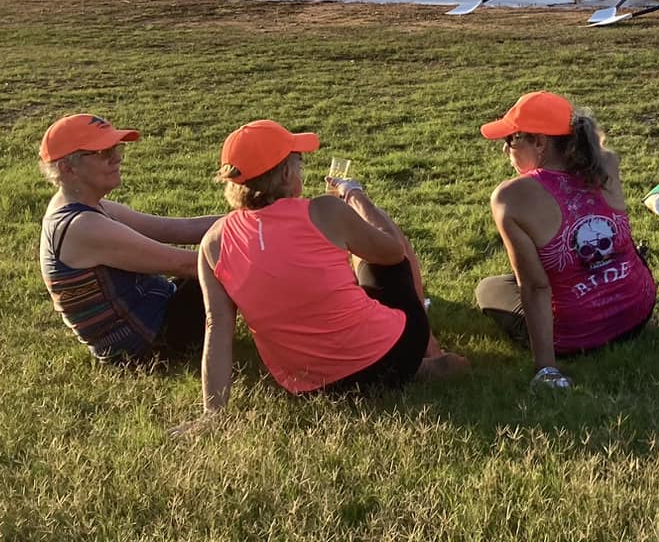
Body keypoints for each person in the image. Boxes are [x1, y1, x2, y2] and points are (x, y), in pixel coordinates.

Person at [192, 119, 466, 420]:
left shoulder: (213, 242)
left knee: (356, 257)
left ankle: (418, 363)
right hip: (392, 356)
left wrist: (211, 414)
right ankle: (430, 352)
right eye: (299, 163)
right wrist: (356, 197)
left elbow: (216, 328)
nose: (301, 171)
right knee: (379, 250)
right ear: (285, 174)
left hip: (311, 386)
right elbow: (392, 250)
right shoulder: (324, 210)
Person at [476, 91, 657, 390]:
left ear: (540, 142)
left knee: (489, 287)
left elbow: (535, 288)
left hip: (576, 334)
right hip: (637, 312)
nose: (506, 150)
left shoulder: (511, 197)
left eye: (511, 139)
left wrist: (546, 369)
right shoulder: (606, 164)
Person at [38, 113, 221, 364]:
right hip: (147, 345)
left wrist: (250, 221)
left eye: (115, 148)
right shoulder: (83, 226)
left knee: (228, 259)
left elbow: (175, 229)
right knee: (225, 266)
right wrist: (262, 244)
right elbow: (188, 265)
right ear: (67, 168)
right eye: (103, 153)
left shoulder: (87, 207)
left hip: (156, 316)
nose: (116, 158)